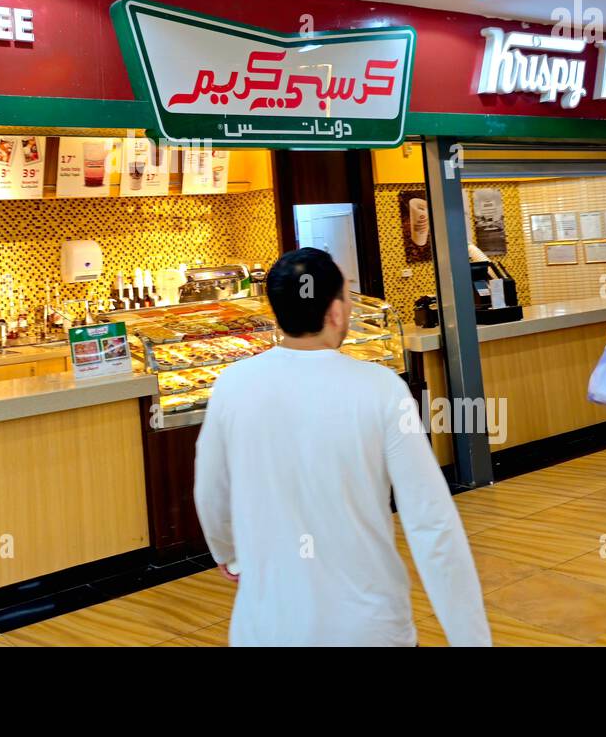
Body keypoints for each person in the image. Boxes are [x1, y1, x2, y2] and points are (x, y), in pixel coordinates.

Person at [192, 247, 491, 646]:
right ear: (335, 313)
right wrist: (470, 638)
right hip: (369, 626)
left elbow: (210, 492)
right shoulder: (382, 388)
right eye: (348, 297)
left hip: (265, 627)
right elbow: (431, 520)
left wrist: (227, 553)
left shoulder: (233, 384)